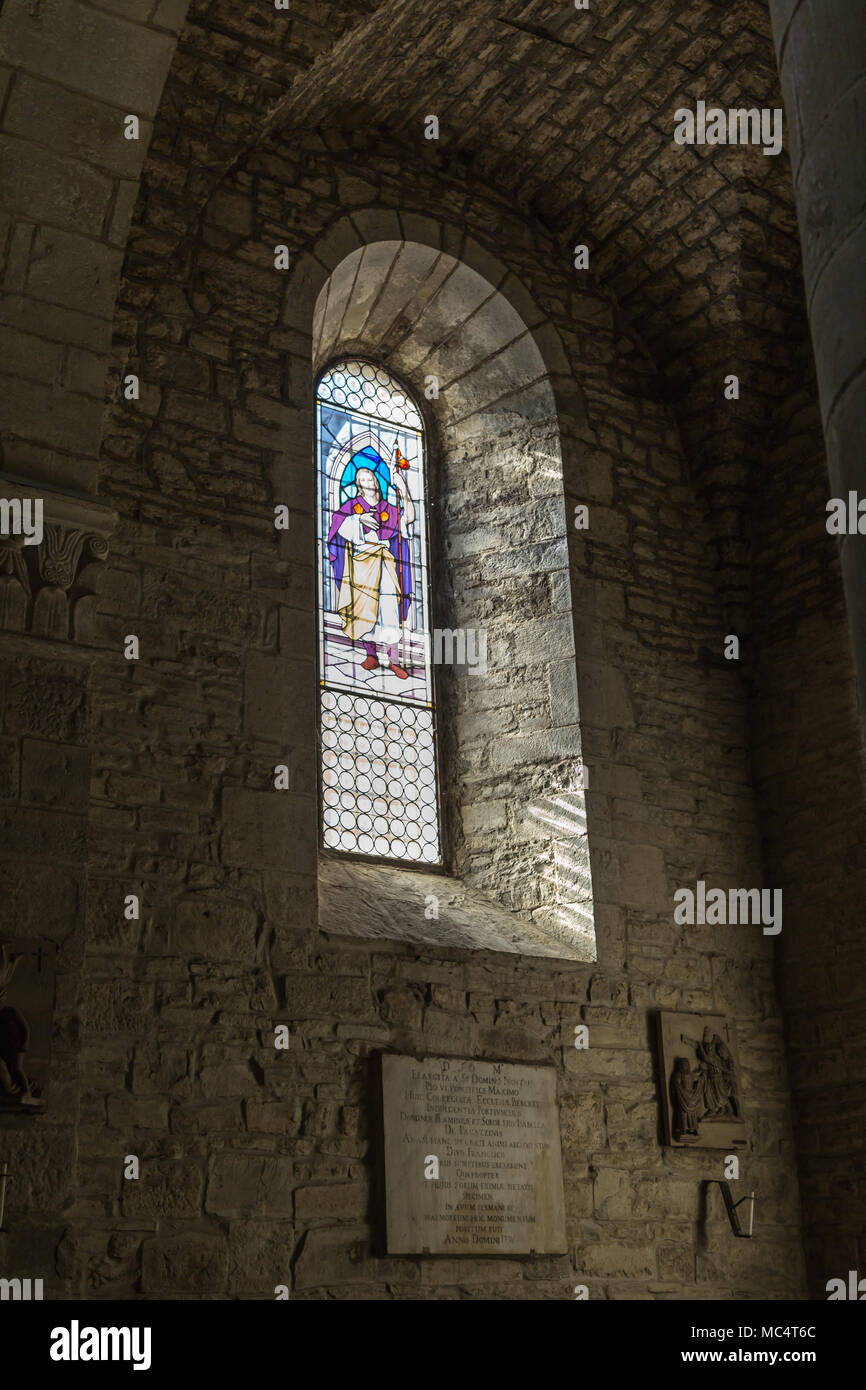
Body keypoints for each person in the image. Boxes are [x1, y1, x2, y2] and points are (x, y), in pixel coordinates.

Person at [327, 463, 415, 679]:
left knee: (389, 610)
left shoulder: (388, 509)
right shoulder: (352, 506)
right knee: (364, 610)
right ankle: (371, 654)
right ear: (359, 485)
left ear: (377, 482)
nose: (369, 482)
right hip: (361, 564)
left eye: (371, 478)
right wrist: (357, 520)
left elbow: (409, 518)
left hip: (384, 564)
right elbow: (337, 526)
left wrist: (404, 490)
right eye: (363, 479)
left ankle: (393, 660)